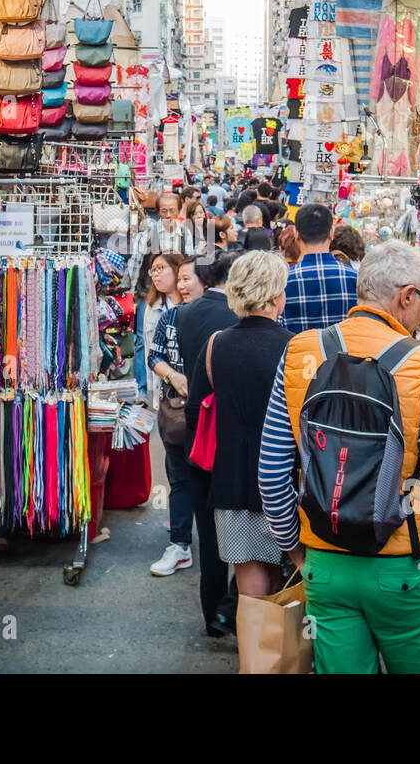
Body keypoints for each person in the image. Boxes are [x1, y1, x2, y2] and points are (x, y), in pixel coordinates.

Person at [259, 241, 420, 674]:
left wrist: (299, 552)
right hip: (408, 566)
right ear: (406, 297)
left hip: (327, 564)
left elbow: (272, 474)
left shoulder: (299, 351)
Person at [187, 251, 292, 606]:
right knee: (280, 580)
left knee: (249, 585)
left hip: (230, 479)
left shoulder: (216, 344)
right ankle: (278, 654)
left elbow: (194, 414)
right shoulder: (295, 348)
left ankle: (254, 654)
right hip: (284, 479)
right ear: (277, 296)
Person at [174, 251, 240, 635]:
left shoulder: (186, 314)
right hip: (232, 435)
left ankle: (212, 613)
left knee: (208, 533)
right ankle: (231, 607)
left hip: (198, 431)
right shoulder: (237, 319)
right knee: (249, 530)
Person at [147, 258, 205, 578]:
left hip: (212, 414)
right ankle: (180, 544)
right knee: (179, 478)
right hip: (178, 411)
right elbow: (154, 355)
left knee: (209, 479)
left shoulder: (220, 316)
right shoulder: (170, 315)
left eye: (188, 279)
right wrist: (173, 375)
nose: (182, 285)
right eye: (180, 279)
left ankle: (217, 546)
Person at [281, 202, 358, 333]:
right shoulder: (355, 279)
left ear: (296, 234)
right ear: (331, 233)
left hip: (300, 352)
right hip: (346, 352)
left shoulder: (283, 282)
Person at [124, 191, 193, 292]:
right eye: (164, 211)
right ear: (158, 212)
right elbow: (135, 262)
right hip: (151, 289)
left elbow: (189, 262)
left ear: (178, 211)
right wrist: (131, 291)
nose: (168, 215)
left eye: (172, 210)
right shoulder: (148, 233)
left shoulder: (185, 233)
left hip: (177, 290)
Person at [140, 253, 185, 410]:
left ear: (176, 269)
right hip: (165, 387)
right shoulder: (152, 309)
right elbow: (150, 353)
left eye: (161, 268)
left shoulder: (192, 304)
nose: (156, 274)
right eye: (153, 270)